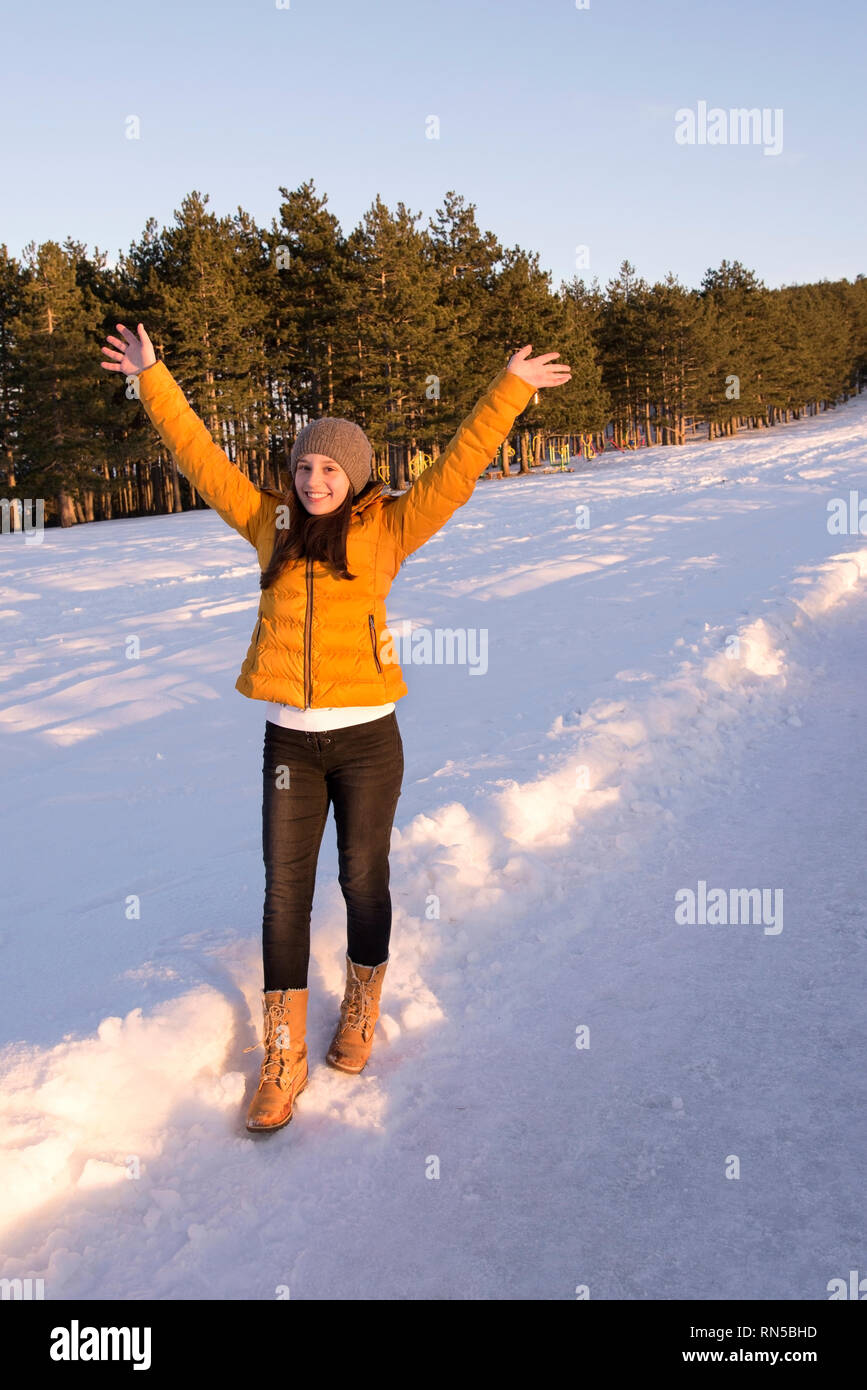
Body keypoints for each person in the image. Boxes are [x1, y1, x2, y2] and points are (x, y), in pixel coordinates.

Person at [100, 325, 572, 1133]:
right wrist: (153, 381)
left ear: (353, 477)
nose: (314, 480)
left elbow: (456, 472)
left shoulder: (387, 530)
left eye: (329, 469)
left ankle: (360, 1007)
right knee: (283, 893)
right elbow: (201, 459)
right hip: (289, 742)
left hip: (366, 742)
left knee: (361, 877)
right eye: (304, 467)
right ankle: (281, 1056)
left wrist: (509, 390)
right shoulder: (267, 526)